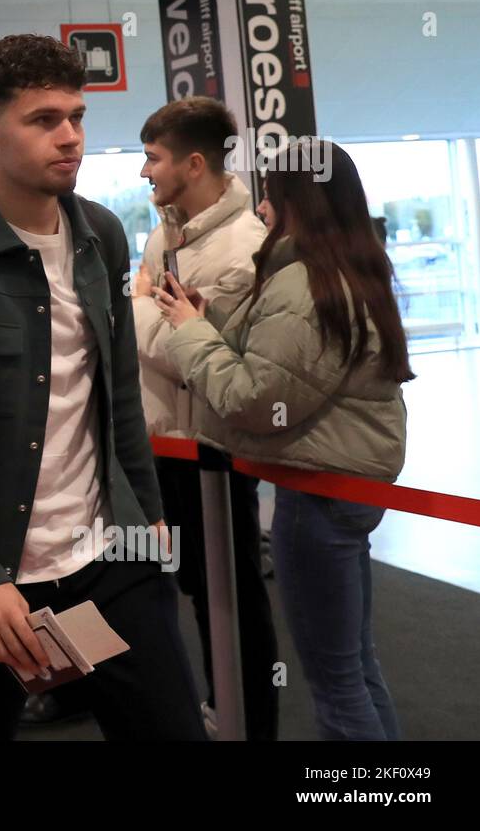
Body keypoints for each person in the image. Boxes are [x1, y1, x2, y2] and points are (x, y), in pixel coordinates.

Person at [0, 33, 204, 741]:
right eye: (44, 119)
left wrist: (146, 512)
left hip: (110, 554)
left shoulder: (102, 235)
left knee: (173, 729)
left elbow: (114, 388)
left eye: (77, 117)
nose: (70, 137)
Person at [156, 138, 412, 741]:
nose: (262, 208)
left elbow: (256, 399)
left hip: (316, 494)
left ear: (297, 199)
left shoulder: (305, 284)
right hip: (348, 489)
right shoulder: (350, 267)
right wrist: (210, 324)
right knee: (355, 664)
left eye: (270, 194)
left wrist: (189, 334)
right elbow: (284, 363)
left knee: (336, 678)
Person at [130, 97, 278, 740]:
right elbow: (168, 332)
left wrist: (138, 312)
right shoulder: (165, 234)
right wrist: (157, 316)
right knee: (194, 587)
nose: (143, 172)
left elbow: (201, 358)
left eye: (153, 158)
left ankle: (252, 720)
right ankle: (223, 707)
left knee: (234, 591)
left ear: (194, 163)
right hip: (164, 445)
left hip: (211, 450)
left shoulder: (246, 247)